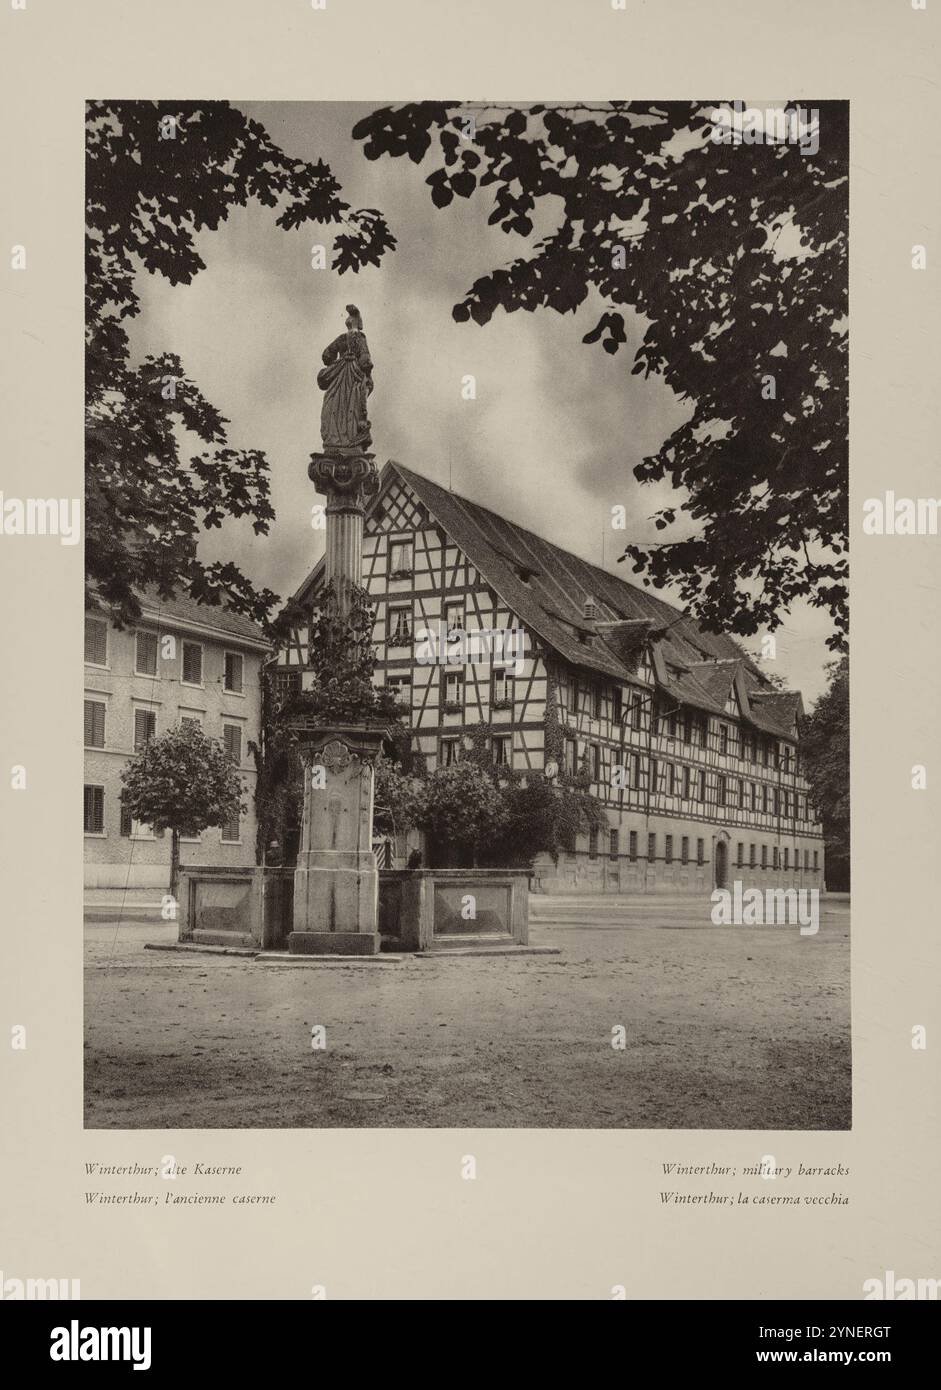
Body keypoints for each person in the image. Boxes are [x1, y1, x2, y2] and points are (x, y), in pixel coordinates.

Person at [317, 304, 373, 452]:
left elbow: (327, 355)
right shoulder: (360, 337)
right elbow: (365, 361)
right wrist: (364, 370)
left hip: (340, 376)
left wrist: (338, 362)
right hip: (353, 376)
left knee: (336, 405)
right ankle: (348, 439)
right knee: (351, 406)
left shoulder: (342, 338)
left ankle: (337, 439)